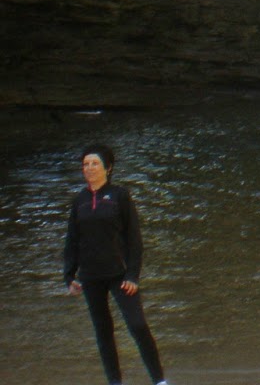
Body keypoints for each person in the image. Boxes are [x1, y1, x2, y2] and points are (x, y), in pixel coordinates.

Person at [63, 144, 168, 385]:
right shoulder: (78, 201)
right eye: (85, 164)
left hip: (120, 274)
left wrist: (133, 275)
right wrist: (69, 276)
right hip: (90, 276)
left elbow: (134, 239)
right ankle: (115, 382)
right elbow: (72, 241)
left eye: (95, 164)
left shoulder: (120, 195)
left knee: (137, 326)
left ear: (108, 168)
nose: (89, 168)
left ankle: (160, 380)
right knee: (103, 332)